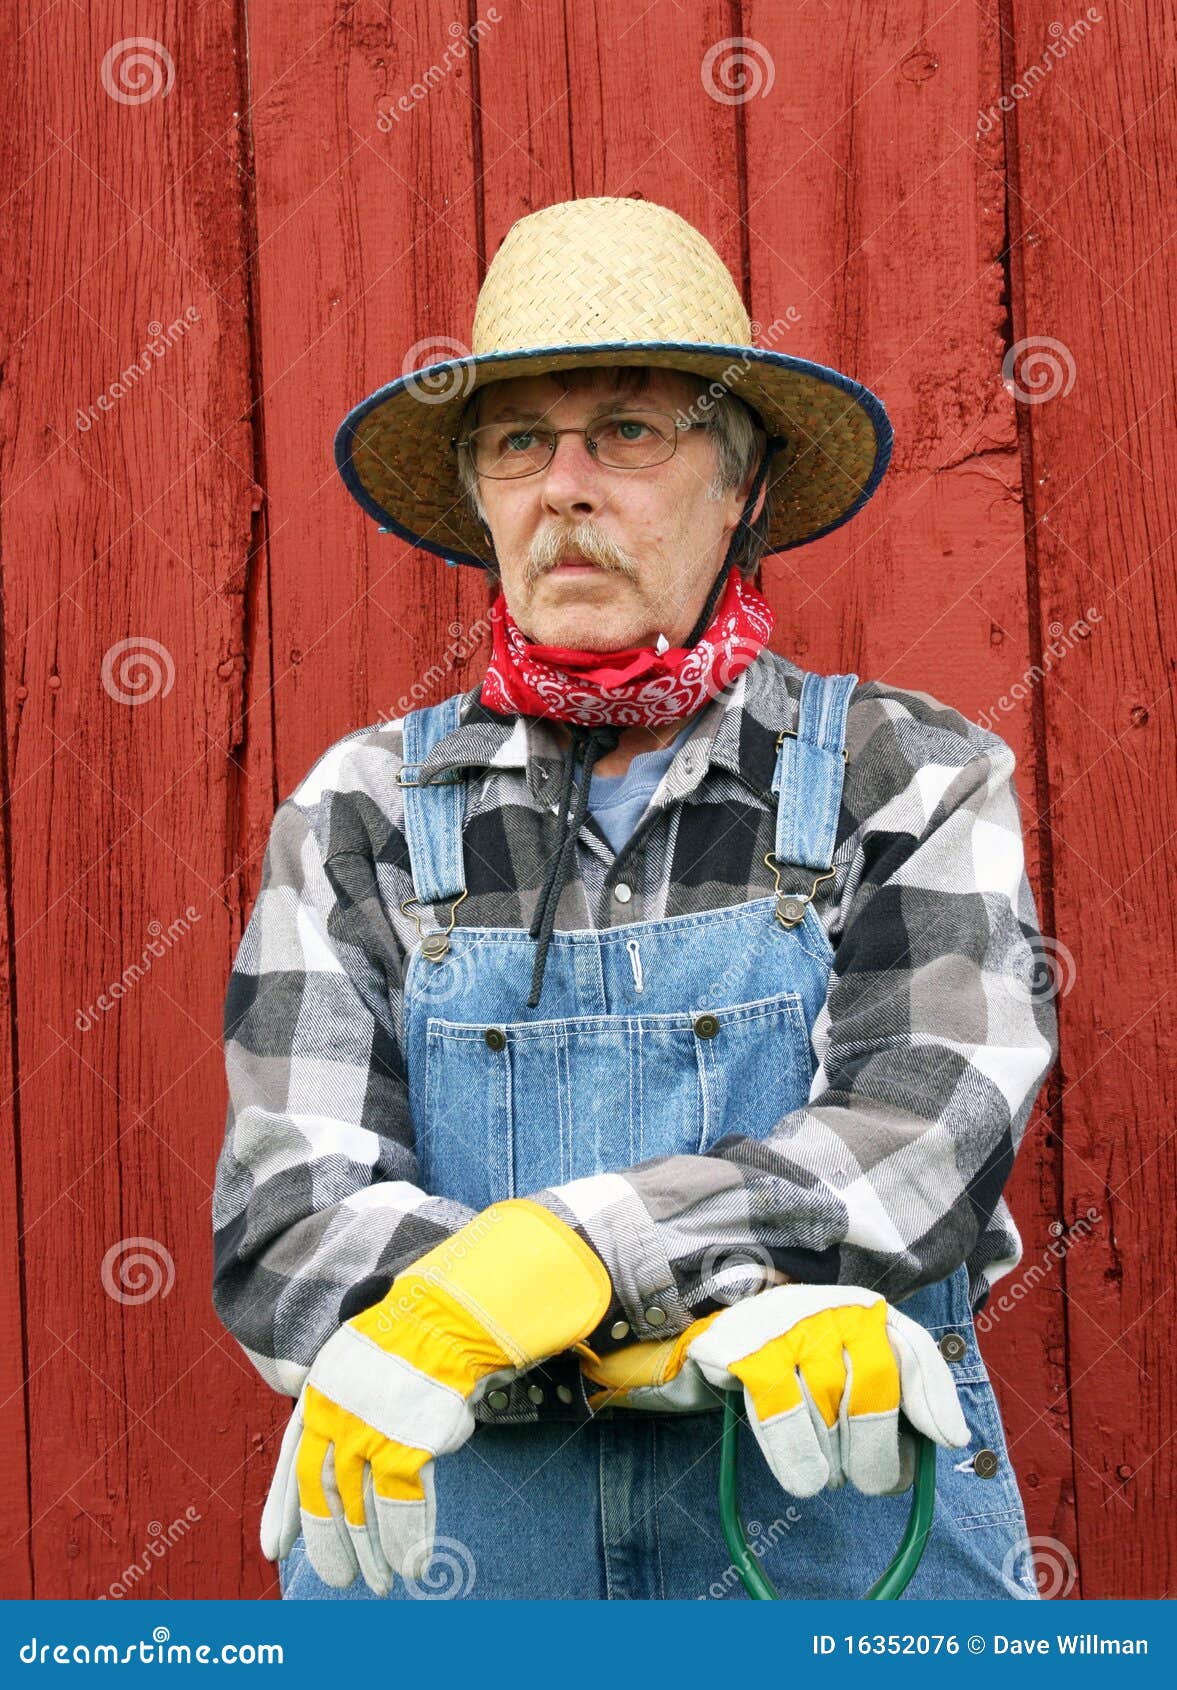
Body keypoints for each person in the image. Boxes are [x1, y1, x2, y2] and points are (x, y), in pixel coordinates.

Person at [210, 196, 1058, 1601]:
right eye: (517, 444)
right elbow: (287, 1226)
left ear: (743, 485)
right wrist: (671, 1338)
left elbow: (923, 1135)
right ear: (480, 497)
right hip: (460, 1555)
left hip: (820, 1527)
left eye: (628, 433)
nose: (564, 488)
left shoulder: (906, 775)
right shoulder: (360, 811)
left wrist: (545, 1270)